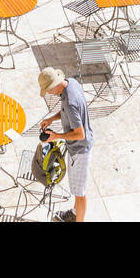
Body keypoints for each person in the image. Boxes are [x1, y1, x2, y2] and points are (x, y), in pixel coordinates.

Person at [39, 68, 94, 224]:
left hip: (80, 150)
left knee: (80, 193)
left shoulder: (70, 102)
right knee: (77, 189)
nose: (49, 94)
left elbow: (80, 134)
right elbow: (67, 112)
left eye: (48, 90)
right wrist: (52, 119)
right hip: (78, 148)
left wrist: (57, 136)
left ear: (53, 86)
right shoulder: (71, 83)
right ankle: (75, 213)